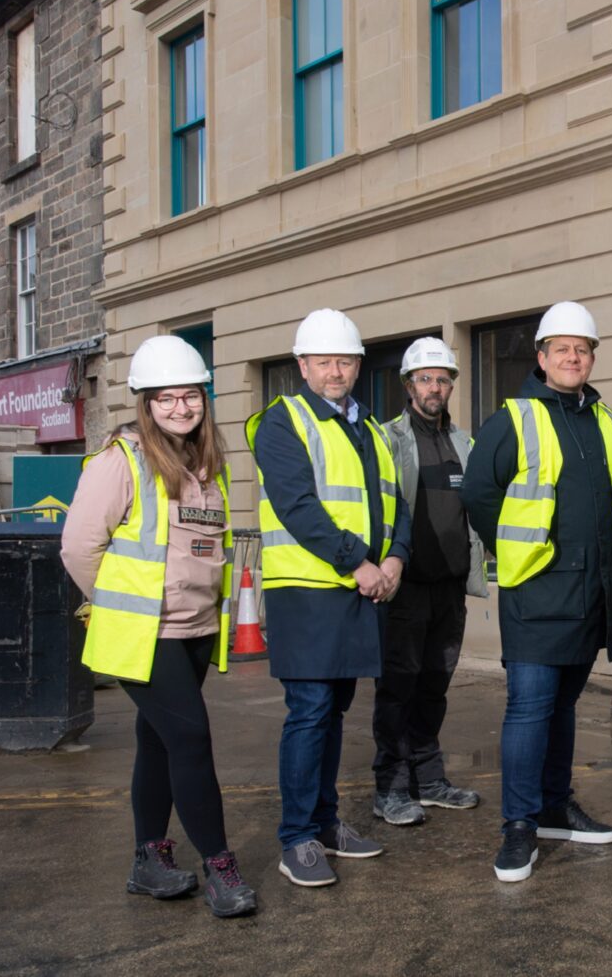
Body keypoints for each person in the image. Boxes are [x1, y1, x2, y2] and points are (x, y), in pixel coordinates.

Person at [62, 335, 256, 918]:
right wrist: (114, 606)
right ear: (145, 404)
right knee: (191, 740)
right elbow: (78, 548)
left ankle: (149, 860)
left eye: (190, 396)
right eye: (165, 398)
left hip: (195, 630)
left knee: (158, 740)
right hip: (146, 635)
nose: (180, 407)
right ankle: (220, 866)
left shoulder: (207, 465)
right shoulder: (120, 462)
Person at [461, 300, 612, 883]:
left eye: (582, 349)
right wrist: (515, 549)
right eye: (562, 349)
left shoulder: (604, 420)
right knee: (529, 709)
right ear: (541, 356)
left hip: (589, 593)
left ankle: (554, 806)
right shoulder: (515, 418)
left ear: (591, 357)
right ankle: (519, 825)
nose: (573, 358)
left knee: (562, 706)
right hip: (536, 590)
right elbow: (478, 493)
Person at [246, 308, 410, 887]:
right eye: (323, 362)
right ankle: (297, 838)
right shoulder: (282, 421)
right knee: (311, 712)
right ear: (302, 366)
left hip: (357, 591)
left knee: (334, 713)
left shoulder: (370, 430)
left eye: (344, 361)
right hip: (308, 593)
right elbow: (298, 507)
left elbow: (396, 503)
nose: (335, 371)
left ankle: (324, 822)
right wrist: (361, 563)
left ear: (358, 366)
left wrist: (395, 558)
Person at [371, 337, 488, 826]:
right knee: (398, 688)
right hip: (405, 588)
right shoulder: (387, 439)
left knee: (434, 688)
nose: (434, 387)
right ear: (408, 385)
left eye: (442, 379)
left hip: (449, 588)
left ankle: (430, 779)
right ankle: (391, 787)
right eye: (425, 379)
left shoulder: (464, 443)